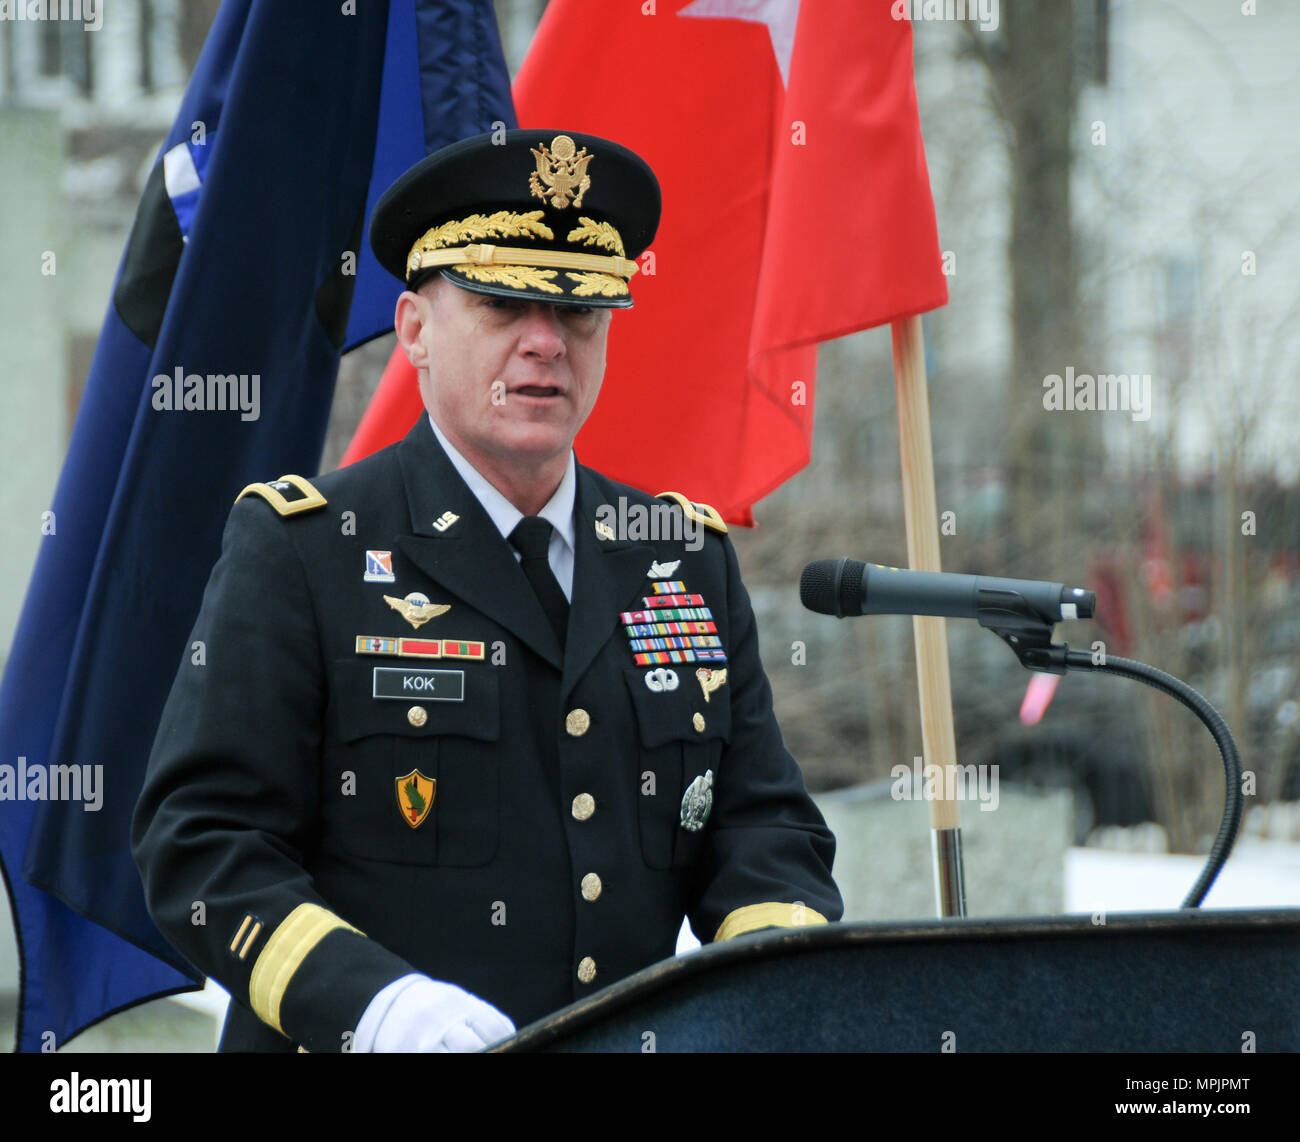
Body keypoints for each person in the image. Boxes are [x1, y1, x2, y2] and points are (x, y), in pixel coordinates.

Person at [132, 128, 842, 1053]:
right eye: (503, 302)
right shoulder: (304, 550)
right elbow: (201, 843)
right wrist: (372, 1005)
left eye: (580, 310)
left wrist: (768, 981)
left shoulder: (678, 554)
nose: (546, 342)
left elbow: (761, 825)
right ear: (416, 331)